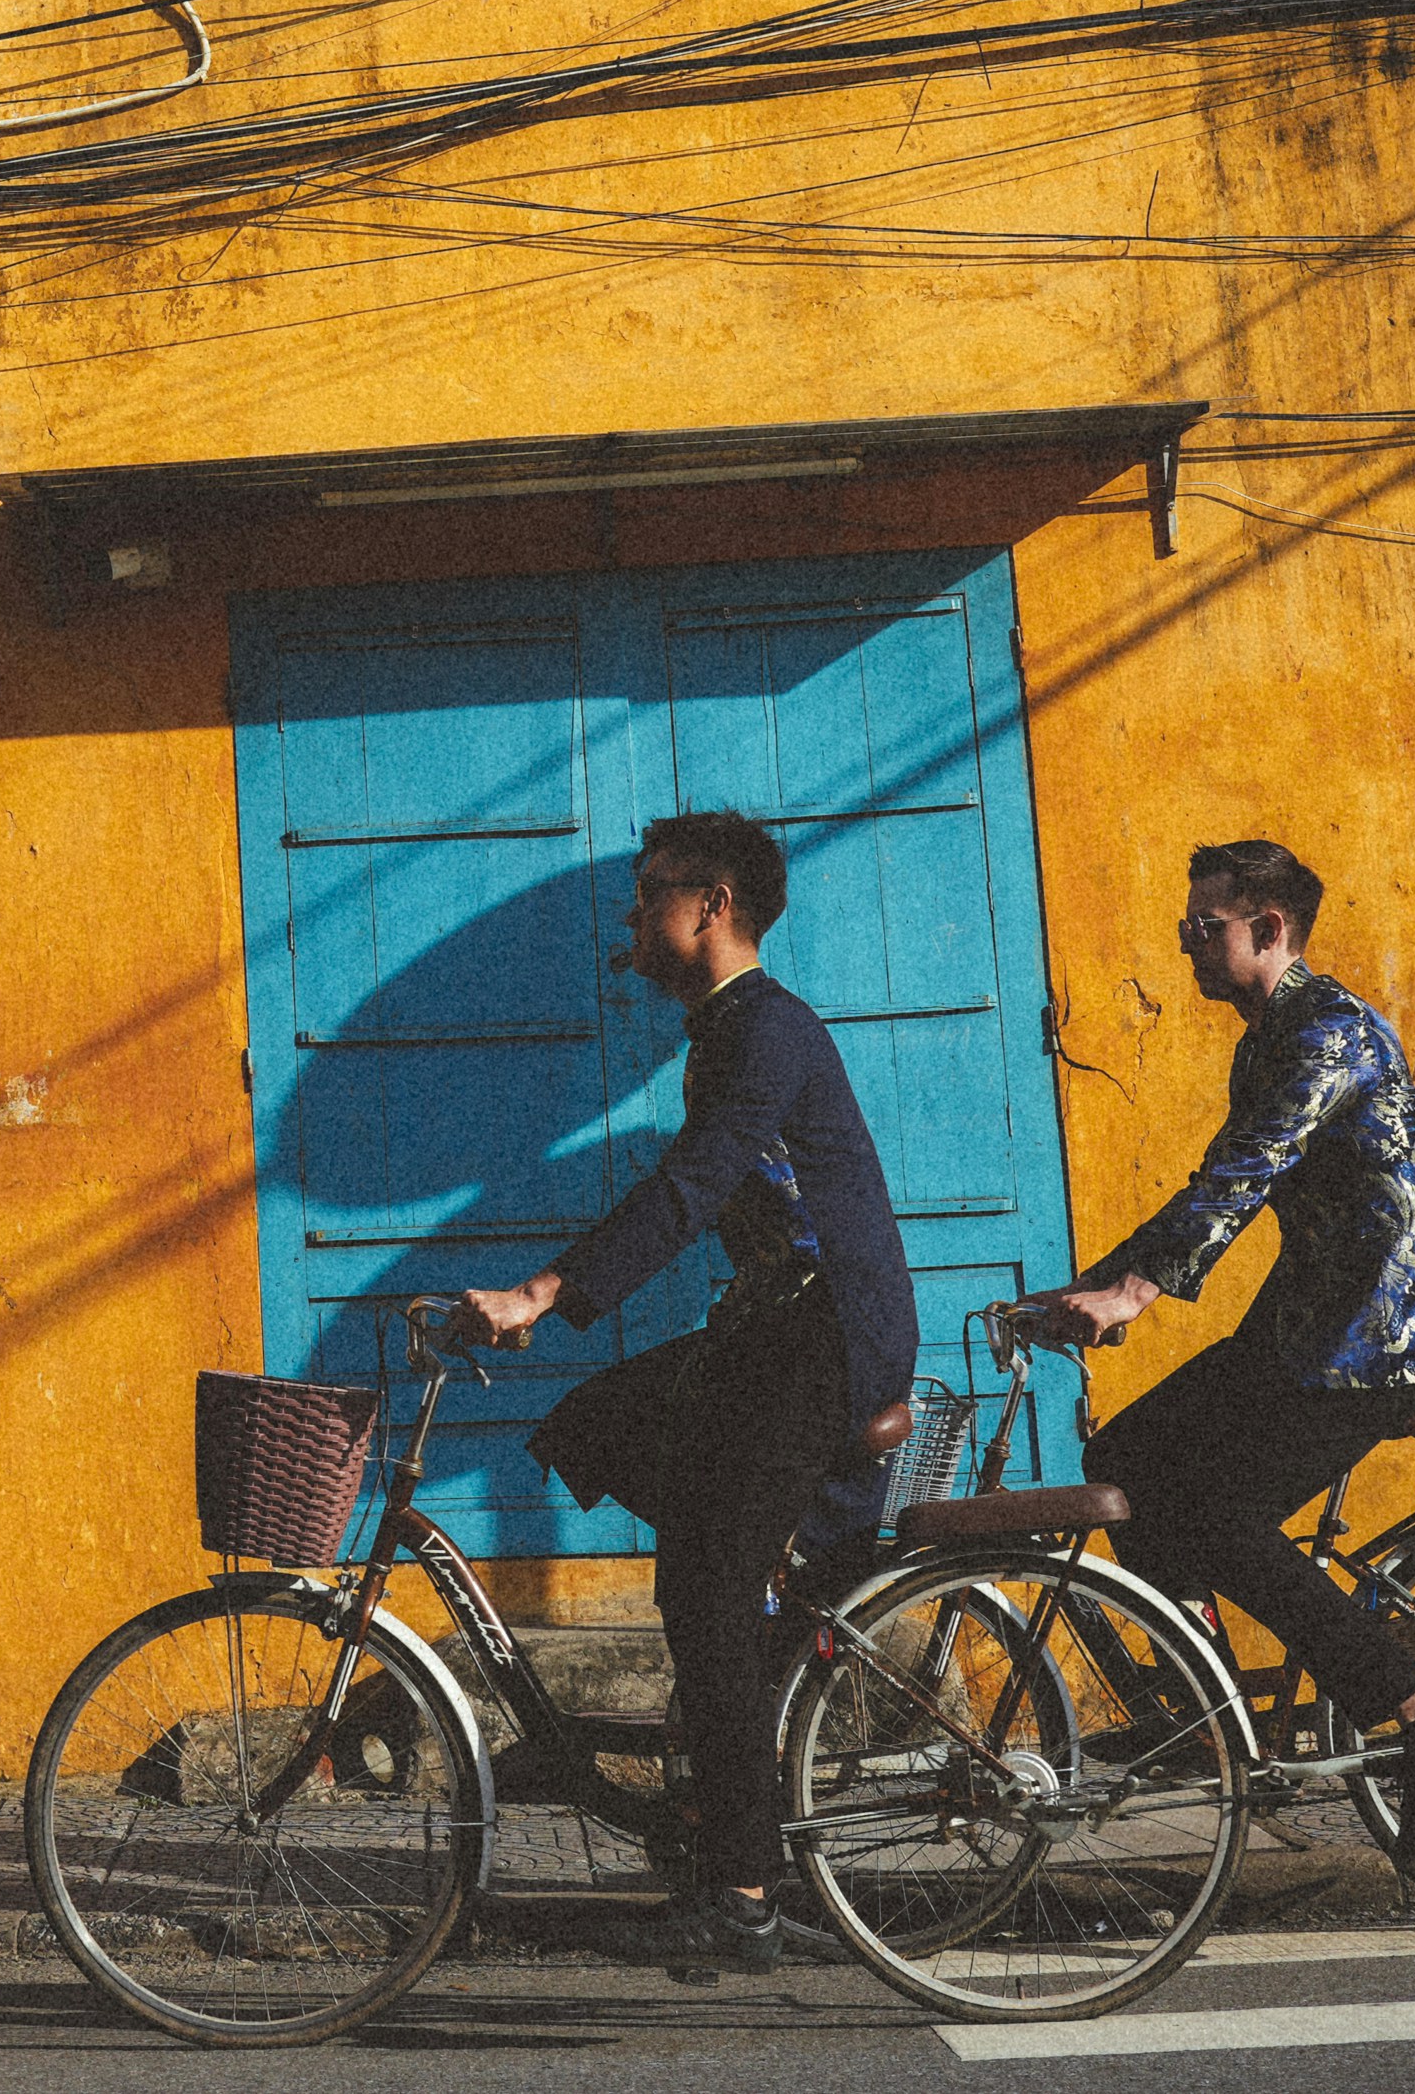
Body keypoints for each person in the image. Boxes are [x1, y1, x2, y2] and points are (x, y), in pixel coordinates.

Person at [463, 809, 913, 1980]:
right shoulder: (725, 1030)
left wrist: (544, 1291)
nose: (630, 918)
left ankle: (743, 1894)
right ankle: (748, 1681)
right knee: (595, 1424)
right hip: (776, 1328)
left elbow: (697, 1182)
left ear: (711, 906)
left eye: (649, 894)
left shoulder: (766, 1025)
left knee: (704, 1587)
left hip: (825, 1334)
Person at [1008, 838, 1415, 1856]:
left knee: (1217, 1511)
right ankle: (1205, 1703)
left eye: (1205, 928)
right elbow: (1214, 1180)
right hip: (1312, 1327)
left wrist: (1135, 1292)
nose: (1187, 945)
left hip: (1380, 1334)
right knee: (1125, 1457)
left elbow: (1246, 1174)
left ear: (1269, 929)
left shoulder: (1327, 1033)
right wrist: (1089, 1287)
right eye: (1187, 928)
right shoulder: (1269, 1037)